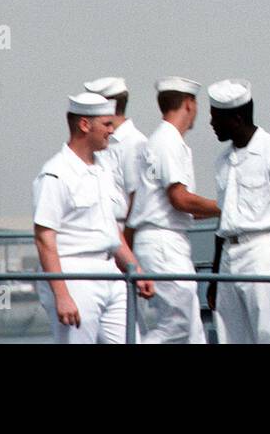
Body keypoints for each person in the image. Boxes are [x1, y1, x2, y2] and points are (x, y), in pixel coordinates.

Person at [32, 92, 154, 343]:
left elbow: (109, 229)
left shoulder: (103, 169)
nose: (112, 130)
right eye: (107, 124)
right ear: (85, 125)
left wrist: (135, 268)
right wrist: (62, 294)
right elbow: (45, 238)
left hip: (110, 271)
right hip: (74, 274)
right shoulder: (56, 174)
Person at [206, 79, 270, 344]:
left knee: (268, 335)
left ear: (236, 118)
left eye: (216, 117)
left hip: (261, 252)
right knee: (231, 336)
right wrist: (215, 275)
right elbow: (223, 220)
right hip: (229, 255)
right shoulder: (223, 161)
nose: (211, 123)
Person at [126, 77, 218, 343]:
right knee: (180, 325)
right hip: (163, 242)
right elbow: (179, 198)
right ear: (189, 105)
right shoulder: (167, 142)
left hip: (167, 240)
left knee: (193, 332)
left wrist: (219, 210)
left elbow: (187, 207)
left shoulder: (163, 141)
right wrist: (226, 207)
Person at [85, 76, 147, 231]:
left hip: (120, 234)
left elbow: (138, 200)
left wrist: (126, 245)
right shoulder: (101, 143)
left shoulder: (135, 143)